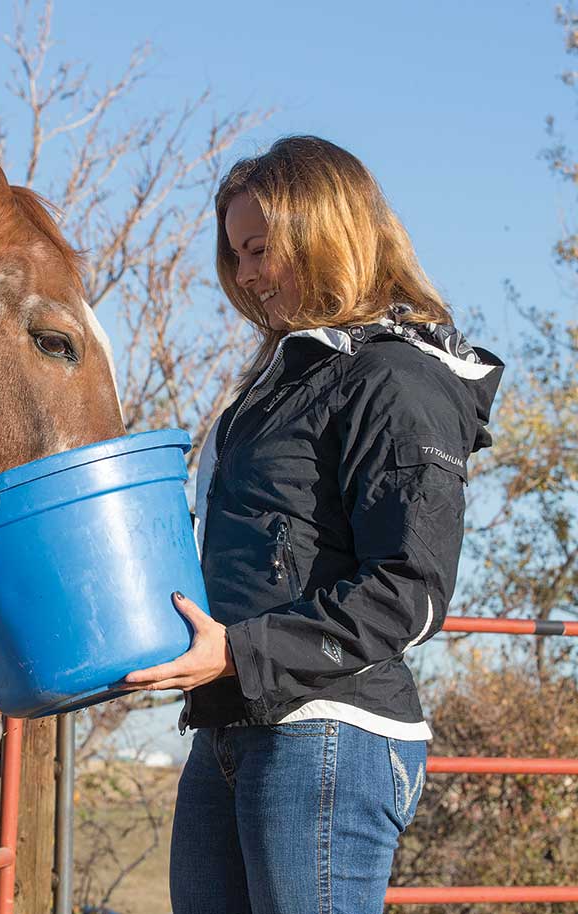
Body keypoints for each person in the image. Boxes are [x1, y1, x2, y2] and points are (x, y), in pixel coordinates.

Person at [122, 136, 504, 914]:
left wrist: (240, 651)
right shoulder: (276, 382)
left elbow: (411, 591)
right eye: (237, 255)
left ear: (324, 232)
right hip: (228, 720)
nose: (247, 275)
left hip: (328, 730)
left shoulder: (397, 377)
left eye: (261, 249)